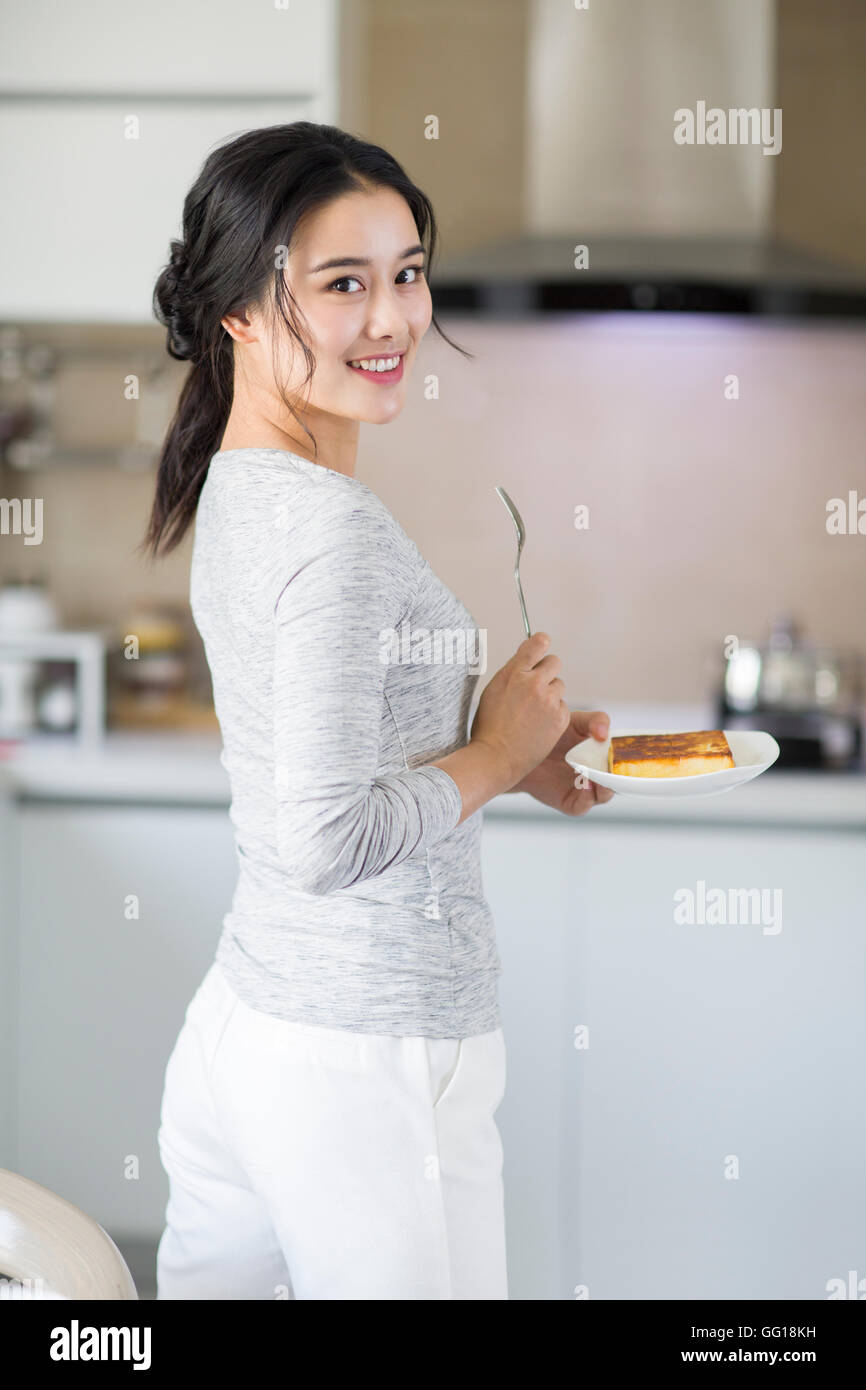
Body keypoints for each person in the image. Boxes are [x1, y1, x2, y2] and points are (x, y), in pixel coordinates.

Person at [141, 121, 613, 1300]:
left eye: (405, 273)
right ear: (239, 312)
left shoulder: (246, 485)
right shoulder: (329, 530)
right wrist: (495, 757)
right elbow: (323, 836)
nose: (394, 319)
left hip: (255, 1028)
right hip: (367, 1060)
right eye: (343, 284)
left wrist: (512, 754)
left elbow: (337, 758)